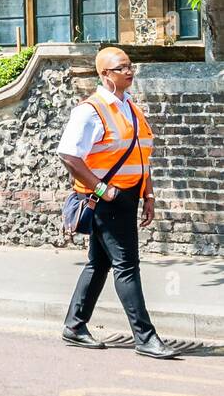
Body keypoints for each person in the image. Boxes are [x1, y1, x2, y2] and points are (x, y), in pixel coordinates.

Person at [57, 46, 175, 359]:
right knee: (127, 265)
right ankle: (145, 338)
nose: (129, 71)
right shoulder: (90, 110)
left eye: (130, 66)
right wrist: (101, 189)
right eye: (121, 67)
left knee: (100, 262)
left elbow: (141, 153)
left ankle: (74, 325)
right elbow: (69, 153)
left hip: (128, 196)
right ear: (105, 74)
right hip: (106, 199)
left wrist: (147, 193)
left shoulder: (130, 108)